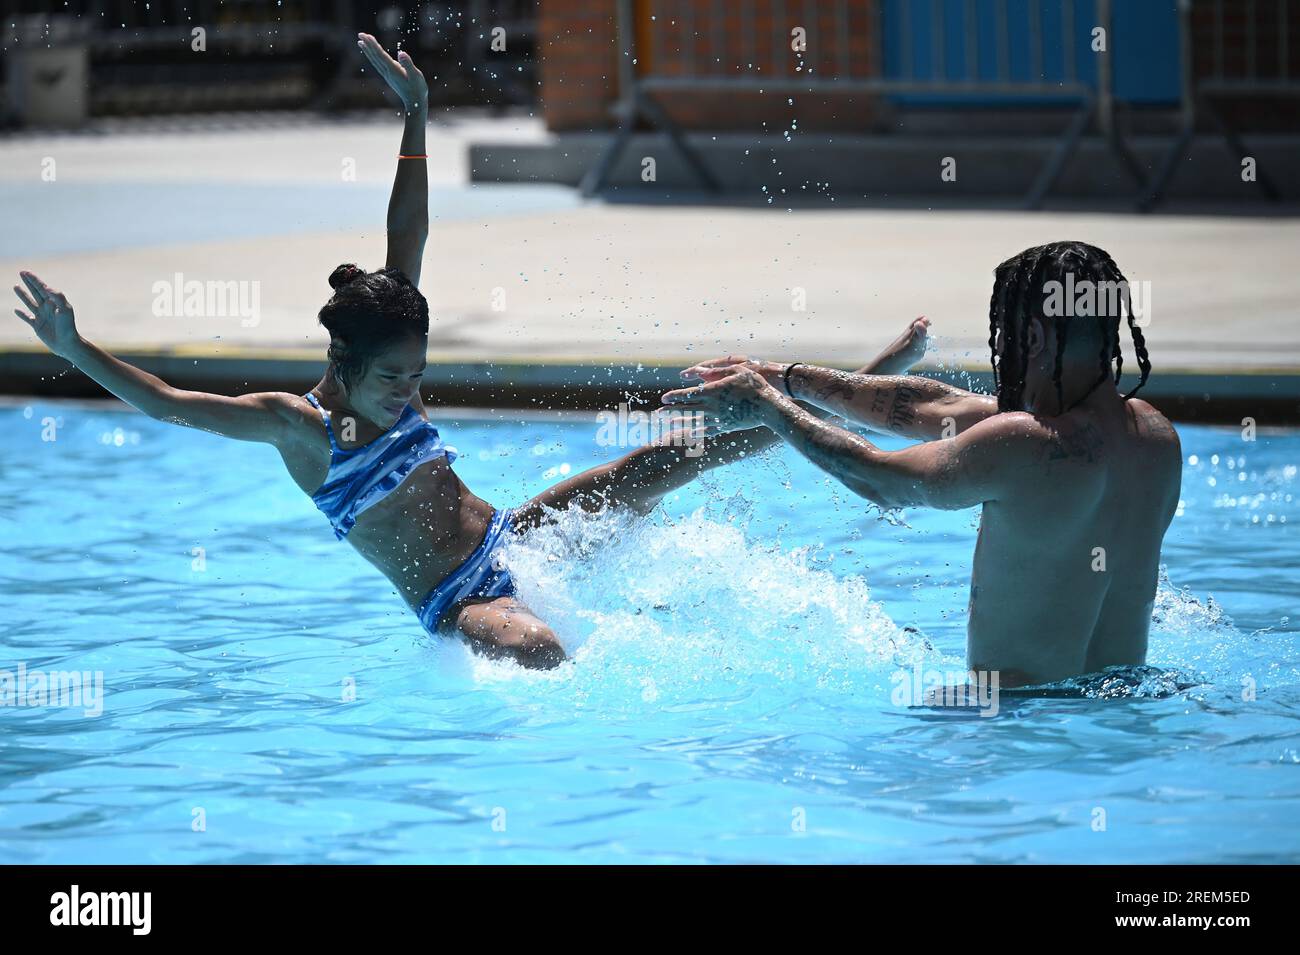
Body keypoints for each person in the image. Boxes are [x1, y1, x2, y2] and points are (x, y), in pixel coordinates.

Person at [11, 34, 927, 670]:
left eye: (417, 373)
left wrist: (416, 115)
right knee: (535, 647)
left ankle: (839, 396)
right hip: (456, 598)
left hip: (512, 534)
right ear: (344, 363)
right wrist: (74, 345)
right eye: (396, 379)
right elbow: (168, 401)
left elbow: (404, 239)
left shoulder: (388, 363)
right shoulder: (303, 430)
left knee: (663, 457)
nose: (412, 390)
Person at [664, 241, 1182, 688]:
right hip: (1121, 707)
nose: (999, 350)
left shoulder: (1022, 442)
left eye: (1003, 335)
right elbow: (937, 407)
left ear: (1035, 340)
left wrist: (768, 407)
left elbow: (879, 480)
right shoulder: (1155, 437)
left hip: (1015, 723)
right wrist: (785, 376)